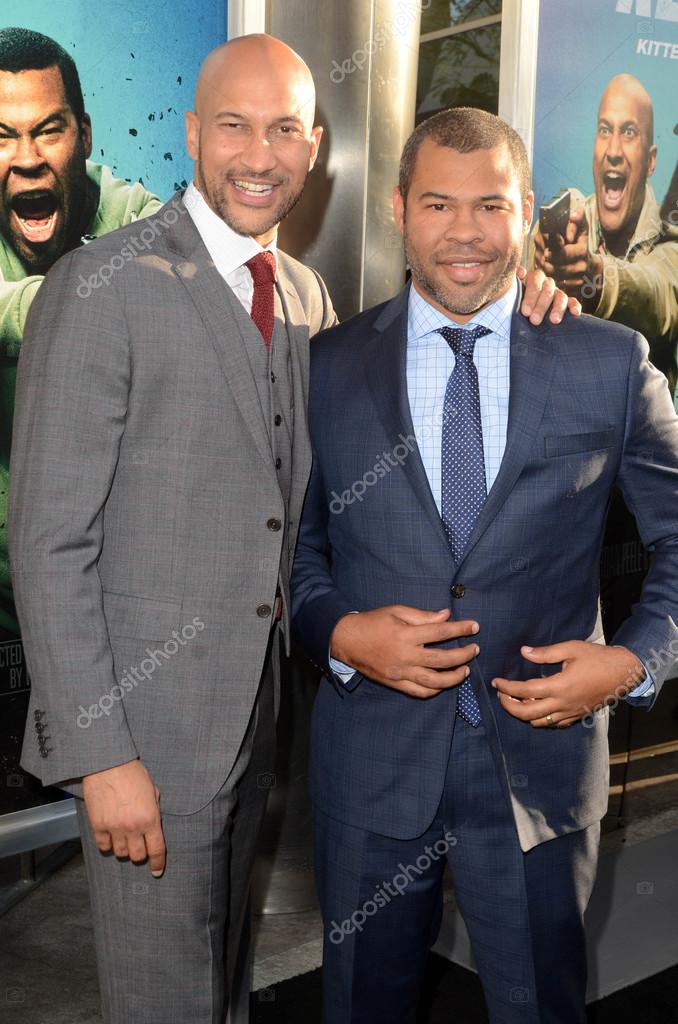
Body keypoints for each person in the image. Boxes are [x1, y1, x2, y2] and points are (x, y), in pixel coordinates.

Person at [9, 30, 575, 1023]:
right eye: (233, 126)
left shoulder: (309, 296)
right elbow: (48, 542)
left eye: (283, 130)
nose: (258, 154)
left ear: (315, 147)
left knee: (218, 991)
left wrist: (521, 300)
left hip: (261, 731)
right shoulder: (97, 288)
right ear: (192, 133)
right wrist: (100, 755)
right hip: (145, 739)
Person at [292, 107, 678, 1023]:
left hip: (540, 770)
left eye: (491, 205)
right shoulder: (324, 368)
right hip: (370, 765)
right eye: (437, 203)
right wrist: (339, 631)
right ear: (397, 209)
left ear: (527, 211)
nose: (464, 232)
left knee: (541, 1005)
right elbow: (289, 552)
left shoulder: (610, 362)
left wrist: (630, 661)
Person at [0, 27, 162, 636]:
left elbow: (181, 293)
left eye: (48, 129)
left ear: (84, 135)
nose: (27, 158)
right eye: (2, 136)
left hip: (115, 599)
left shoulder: (142, 221)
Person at [530, 73, 678, 394]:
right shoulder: (569, 218)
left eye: (628, 132)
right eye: (604, 130)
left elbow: (657, 295)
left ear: (650, 161)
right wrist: (539, 262)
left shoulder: (672, 243)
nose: (613, 150)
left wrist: (594, 277)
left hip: (643, 438)